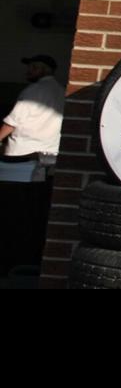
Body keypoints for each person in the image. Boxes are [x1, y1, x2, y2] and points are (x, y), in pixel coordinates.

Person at [0, 55, 67, 270]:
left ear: (42, 69)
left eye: (32, 67)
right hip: (49, 162)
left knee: (12, 214)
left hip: (21, 162)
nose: (28, 71)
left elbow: (12, 123)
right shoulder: (61, 91)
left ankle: (9, 259)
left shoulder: (32, 92)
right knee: (35, 213)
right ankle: (29, 259)